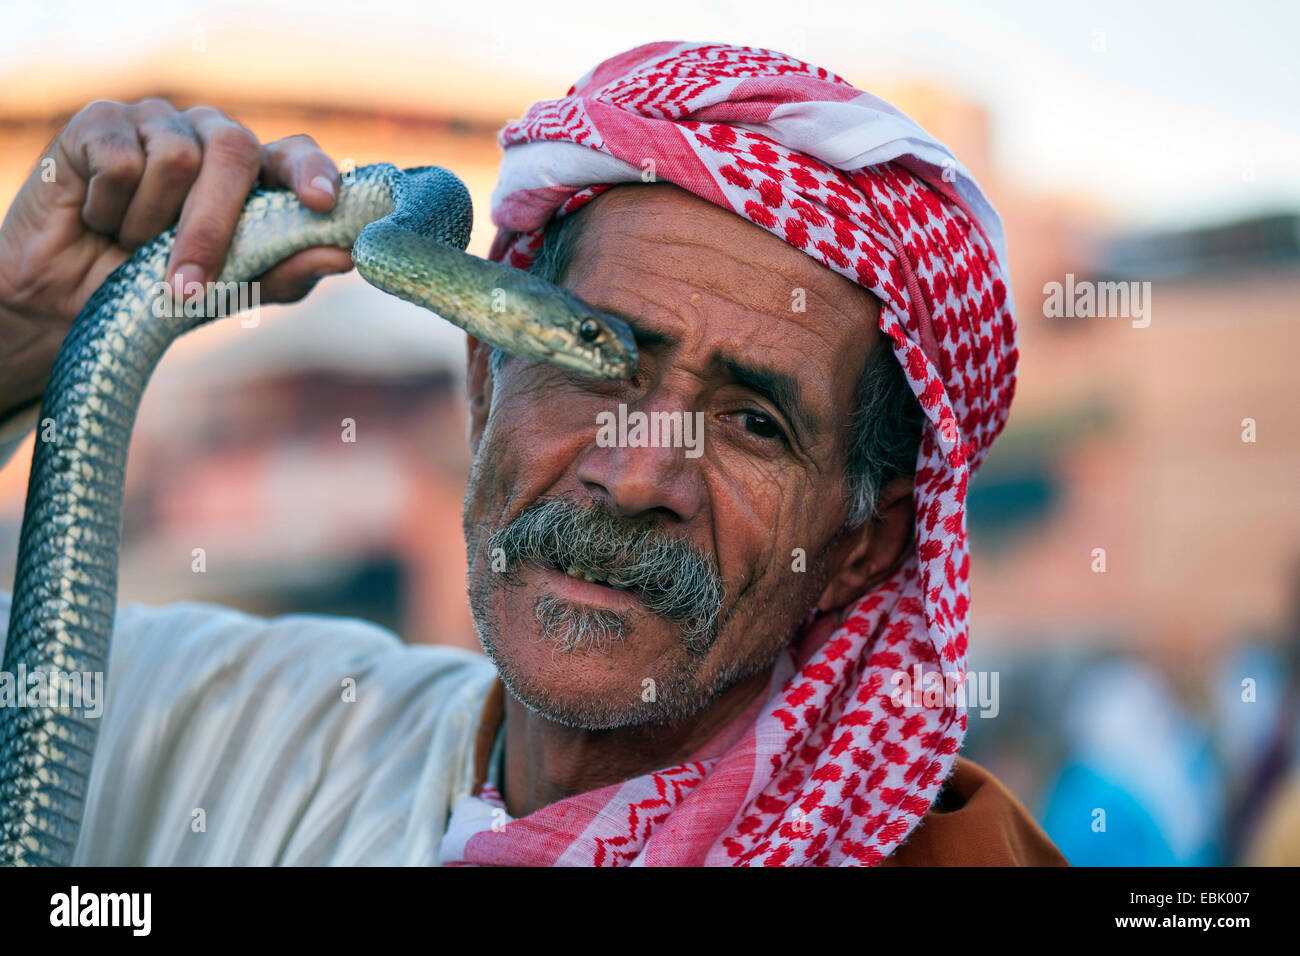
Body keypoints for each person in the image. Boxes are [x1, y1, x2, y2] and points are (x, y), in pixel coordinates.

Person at [0, 41, 1065, 866]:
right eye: (600, 365)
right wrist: (14, 343)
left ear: (861, 546)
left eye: (752, 423)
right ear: (481, 381)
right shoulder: (222, 723)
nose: (638, 472)